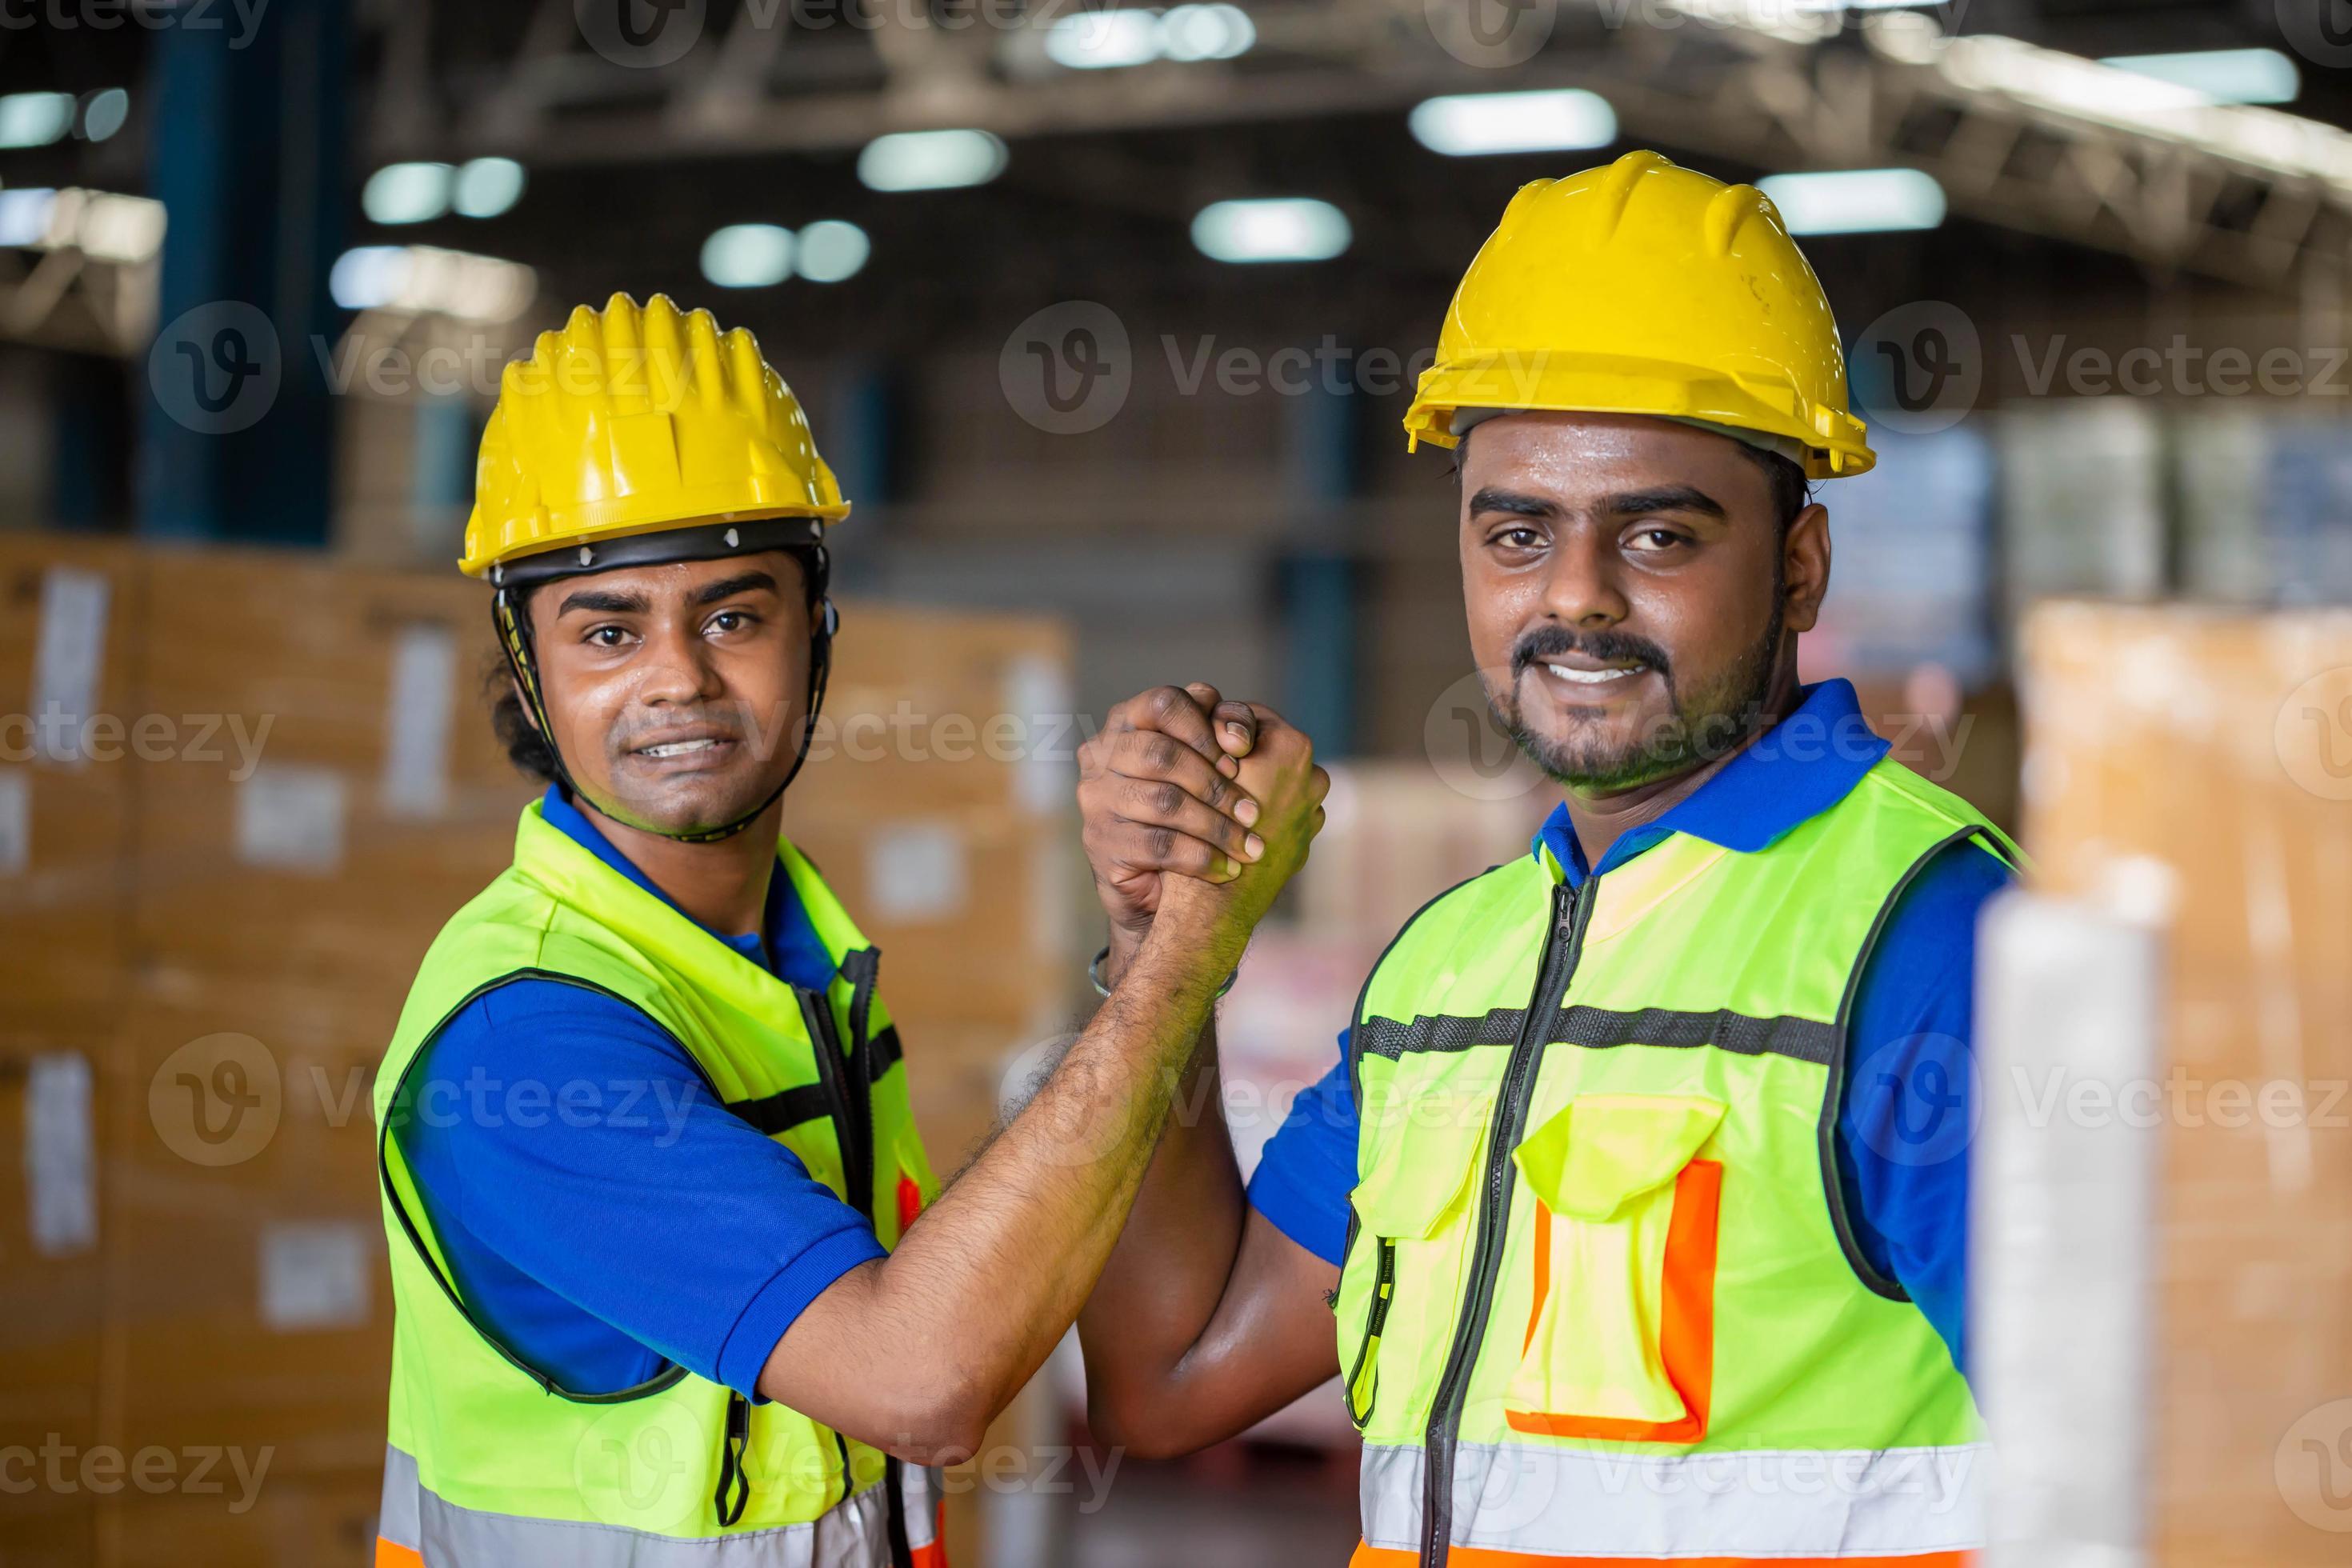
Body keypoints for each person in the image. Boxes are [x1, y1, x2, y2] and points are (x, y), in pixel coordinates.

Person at [1073, 150, 2014, 1567]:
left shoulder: (1931, 941)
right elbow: (1172, 1377)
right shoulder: (1452, 965)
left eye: (1655, 533)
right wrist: (1161, 952)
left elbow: (2149, 1468)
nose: (1575, 596)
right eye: (1518, 532)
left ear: (1801, 568)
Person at [367, 294, 1327, 1568]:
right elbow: (918, 1378)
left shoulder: (794, 966)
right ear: (527, 663)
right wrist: (1190, 943)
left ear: (816, 634)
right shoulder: (525, 1040)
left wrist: (1151, 924)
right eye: (607, 631)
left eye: (732, 615)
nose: (679, 679)